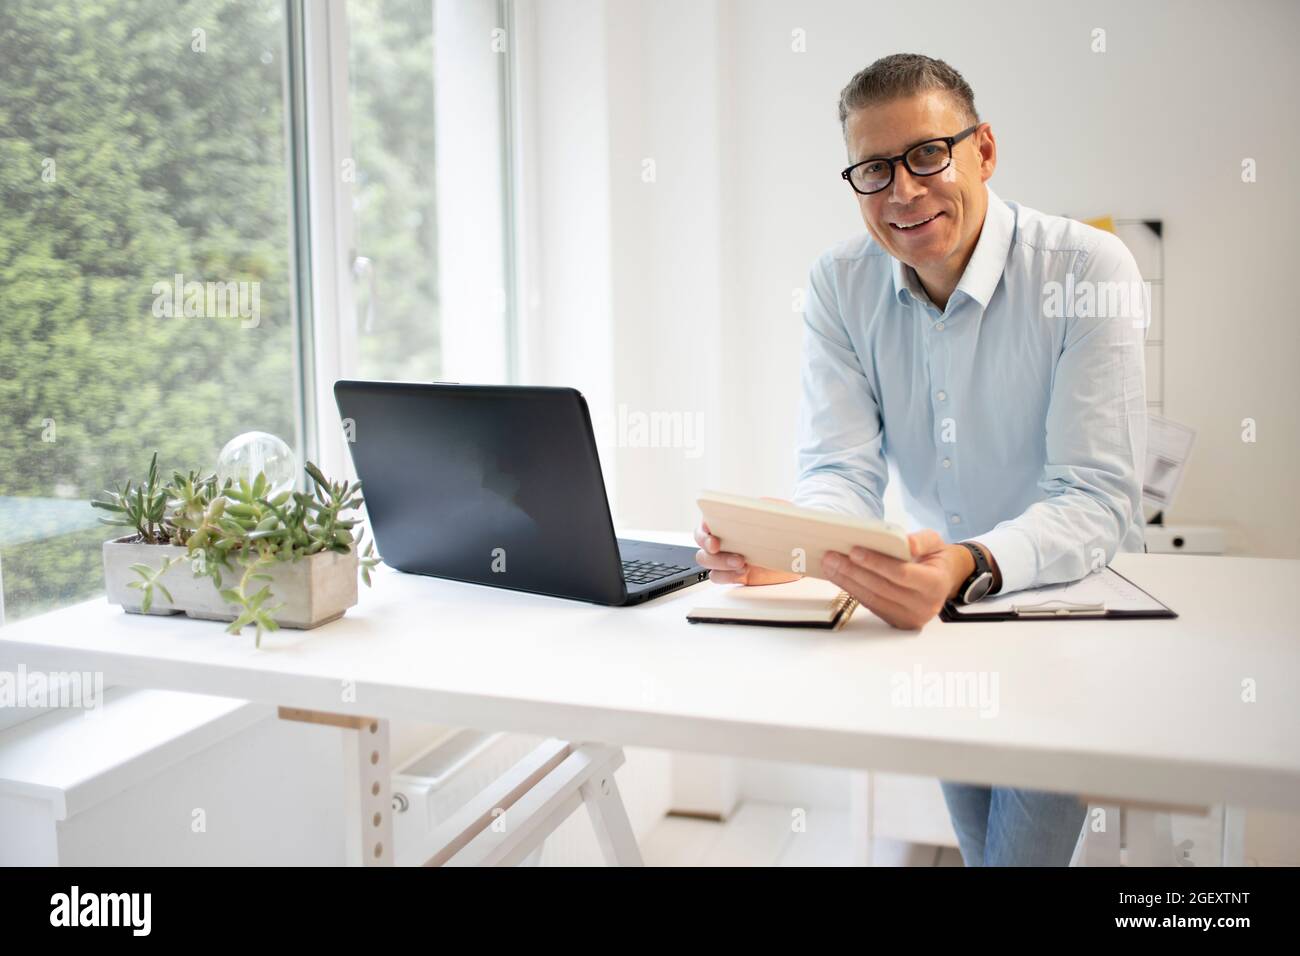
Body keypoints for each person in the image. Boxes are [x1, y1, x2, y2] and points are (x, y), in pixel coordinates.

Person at [693, 53, 1147, 866]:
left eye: (928, 154)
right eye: (874, 169)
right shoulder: (839, 285)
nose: (903, 191)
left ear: (984, 151)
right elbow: (840, 471)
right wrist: (795, 548)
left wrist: (965, 564)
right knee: (982, 855)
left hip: (1071, 609)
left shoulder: (1088, 269)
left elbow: (1096, 498)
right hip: (940, 615)